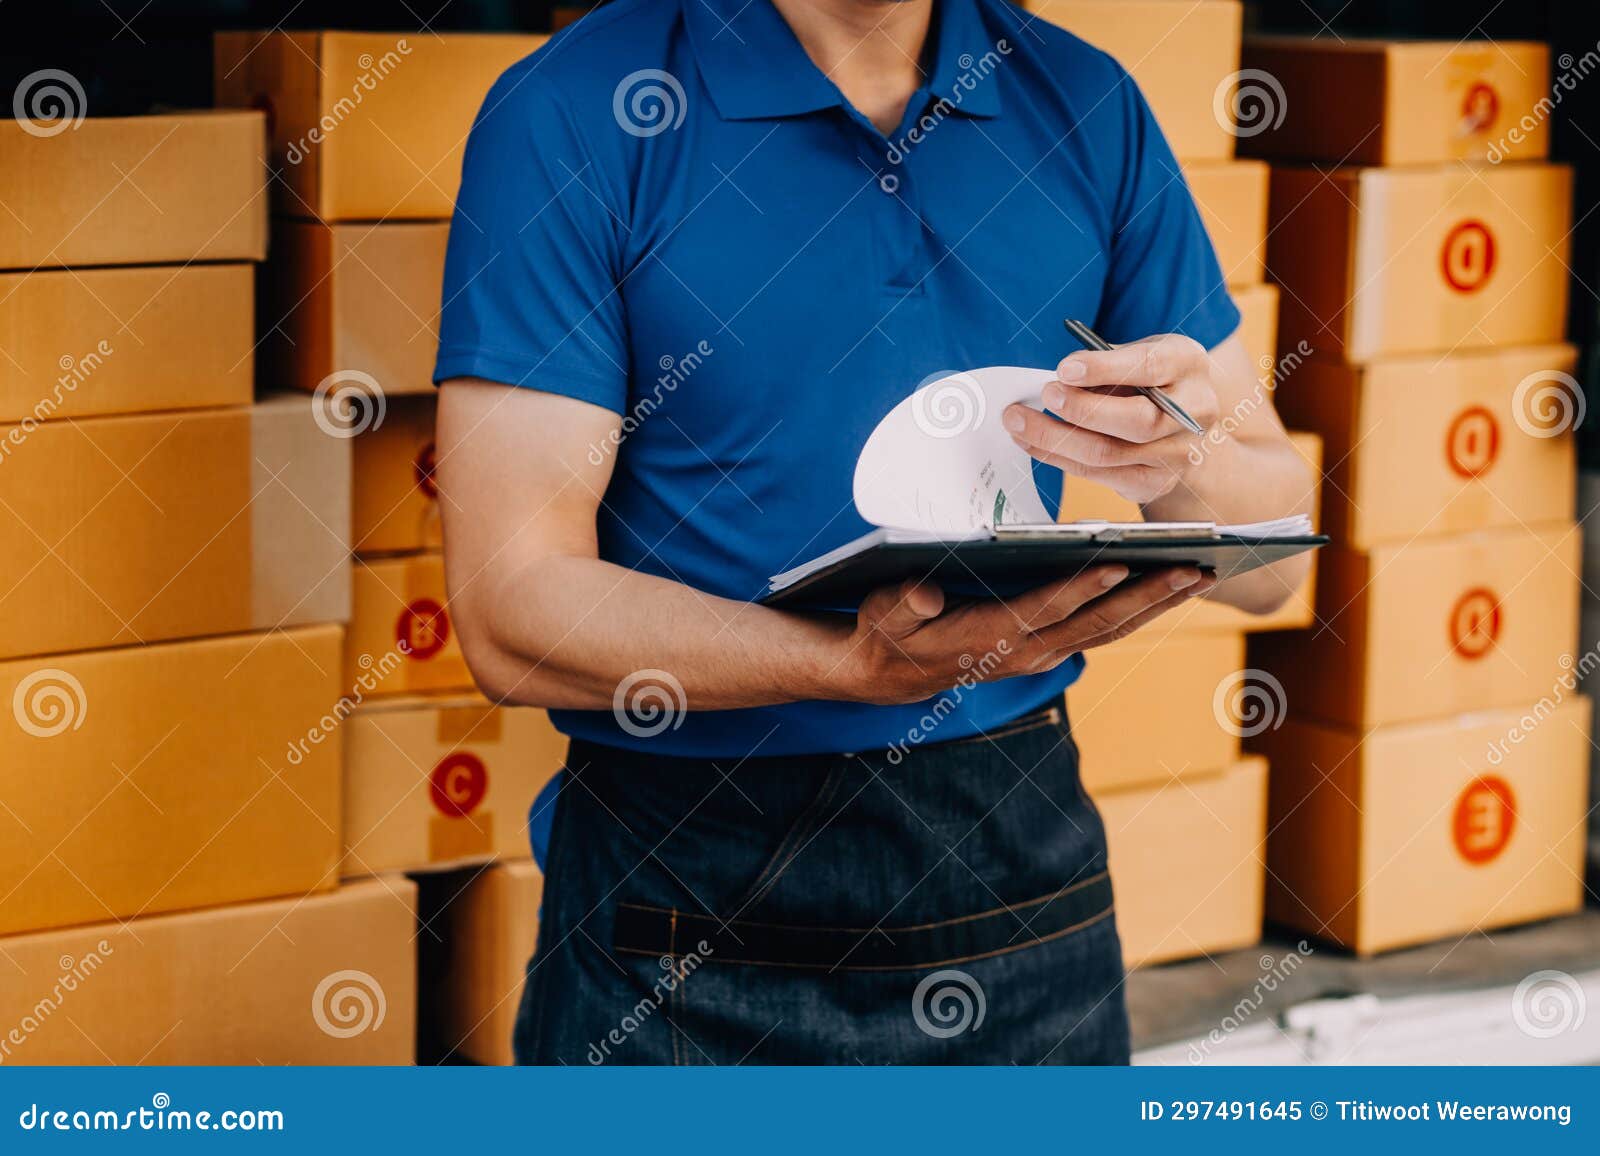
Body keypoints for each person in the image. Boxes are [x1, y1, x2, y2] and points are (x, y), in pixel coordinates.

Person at [433, 0, 1312, 1065]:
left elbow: (1271, 556)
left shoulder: (1086, 106)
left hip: (1021, 877)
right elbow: (508, 610)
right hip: (681, 904)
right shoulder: (576, 111)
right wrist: (843, 663)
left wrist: (1181, 461)